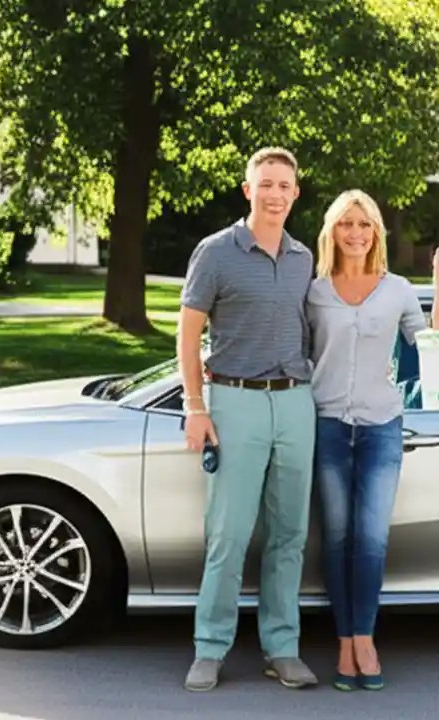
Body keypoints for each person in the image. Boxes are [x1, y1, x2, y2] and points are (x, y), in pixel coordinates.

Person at [178, 147, 319, 692]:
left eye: (284, 185)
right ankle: (209, 647)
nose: (274, 194)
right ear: (247, 190)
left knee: (289, 534)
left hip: (295, 402)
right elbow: (188, 334)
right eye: (265, 184)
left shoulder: (306, 257)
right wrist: (195, 407)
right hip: (233, 402)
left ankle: (282, 647)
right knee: (229, 533)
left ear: (295, 193)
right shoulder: (216, 252)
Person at [305, 189, 439, 691]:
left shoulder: (396, 290)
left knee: (371, 539)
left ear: (376, 232)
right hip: (327, 425)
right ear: (333, 232)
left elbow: (432, 344)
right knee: (338, 538)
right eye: (346, 223)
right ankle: (344, 643)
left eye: (364, 224)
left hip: (380, 428)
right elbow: (298, 356)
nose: (355, 233)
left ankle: (364, 640)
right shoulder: (316, 291)